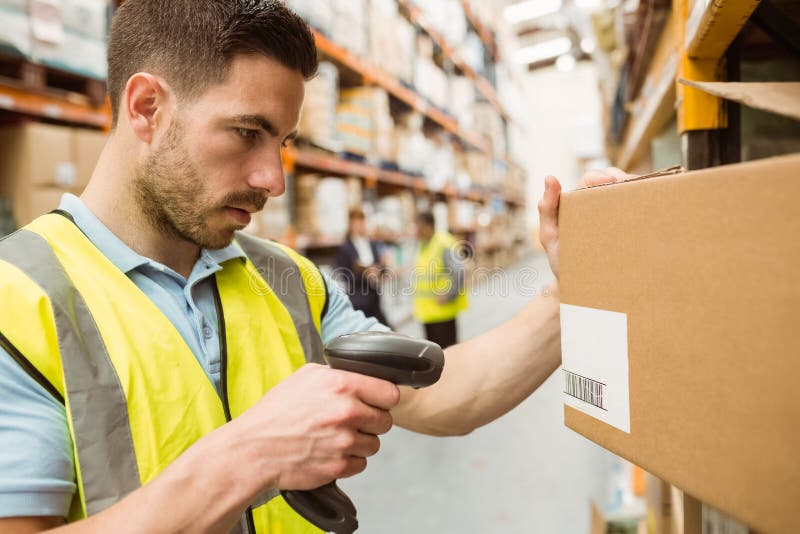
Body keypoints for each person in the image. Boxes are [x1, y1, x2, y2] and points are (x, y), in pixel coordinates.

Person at [0, 1, 631, 532]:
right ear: (145, 108)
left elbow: (444, 397)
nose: (272, 179)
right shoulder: (18, 301)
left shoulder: (286, 278)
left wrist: (569, 289)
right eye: (247, 133)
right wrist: (250, 457)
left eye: (282, 143)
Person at [412, 212, 468, 348]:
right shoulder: (424, 245)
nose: (416, 231)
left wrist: (449, 295)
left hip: (443, 313)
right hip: (427, 313)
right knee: (434, 355)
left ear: (428, 226)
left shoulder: (444, 243)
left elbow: (459, 272)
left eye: (418, 227)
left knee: (448, 354)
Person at [333, 208, 388, 325]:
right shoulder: (346, 248)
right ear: (350, 224)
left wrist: (381, 270)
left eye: (361, 221)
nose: (359, 225)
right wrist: (365, 274)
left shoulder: (371, 244)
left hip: (374, 297)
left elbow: (380, 265)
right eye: (355, 222)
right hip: (358, 300)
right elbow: (345, 275)